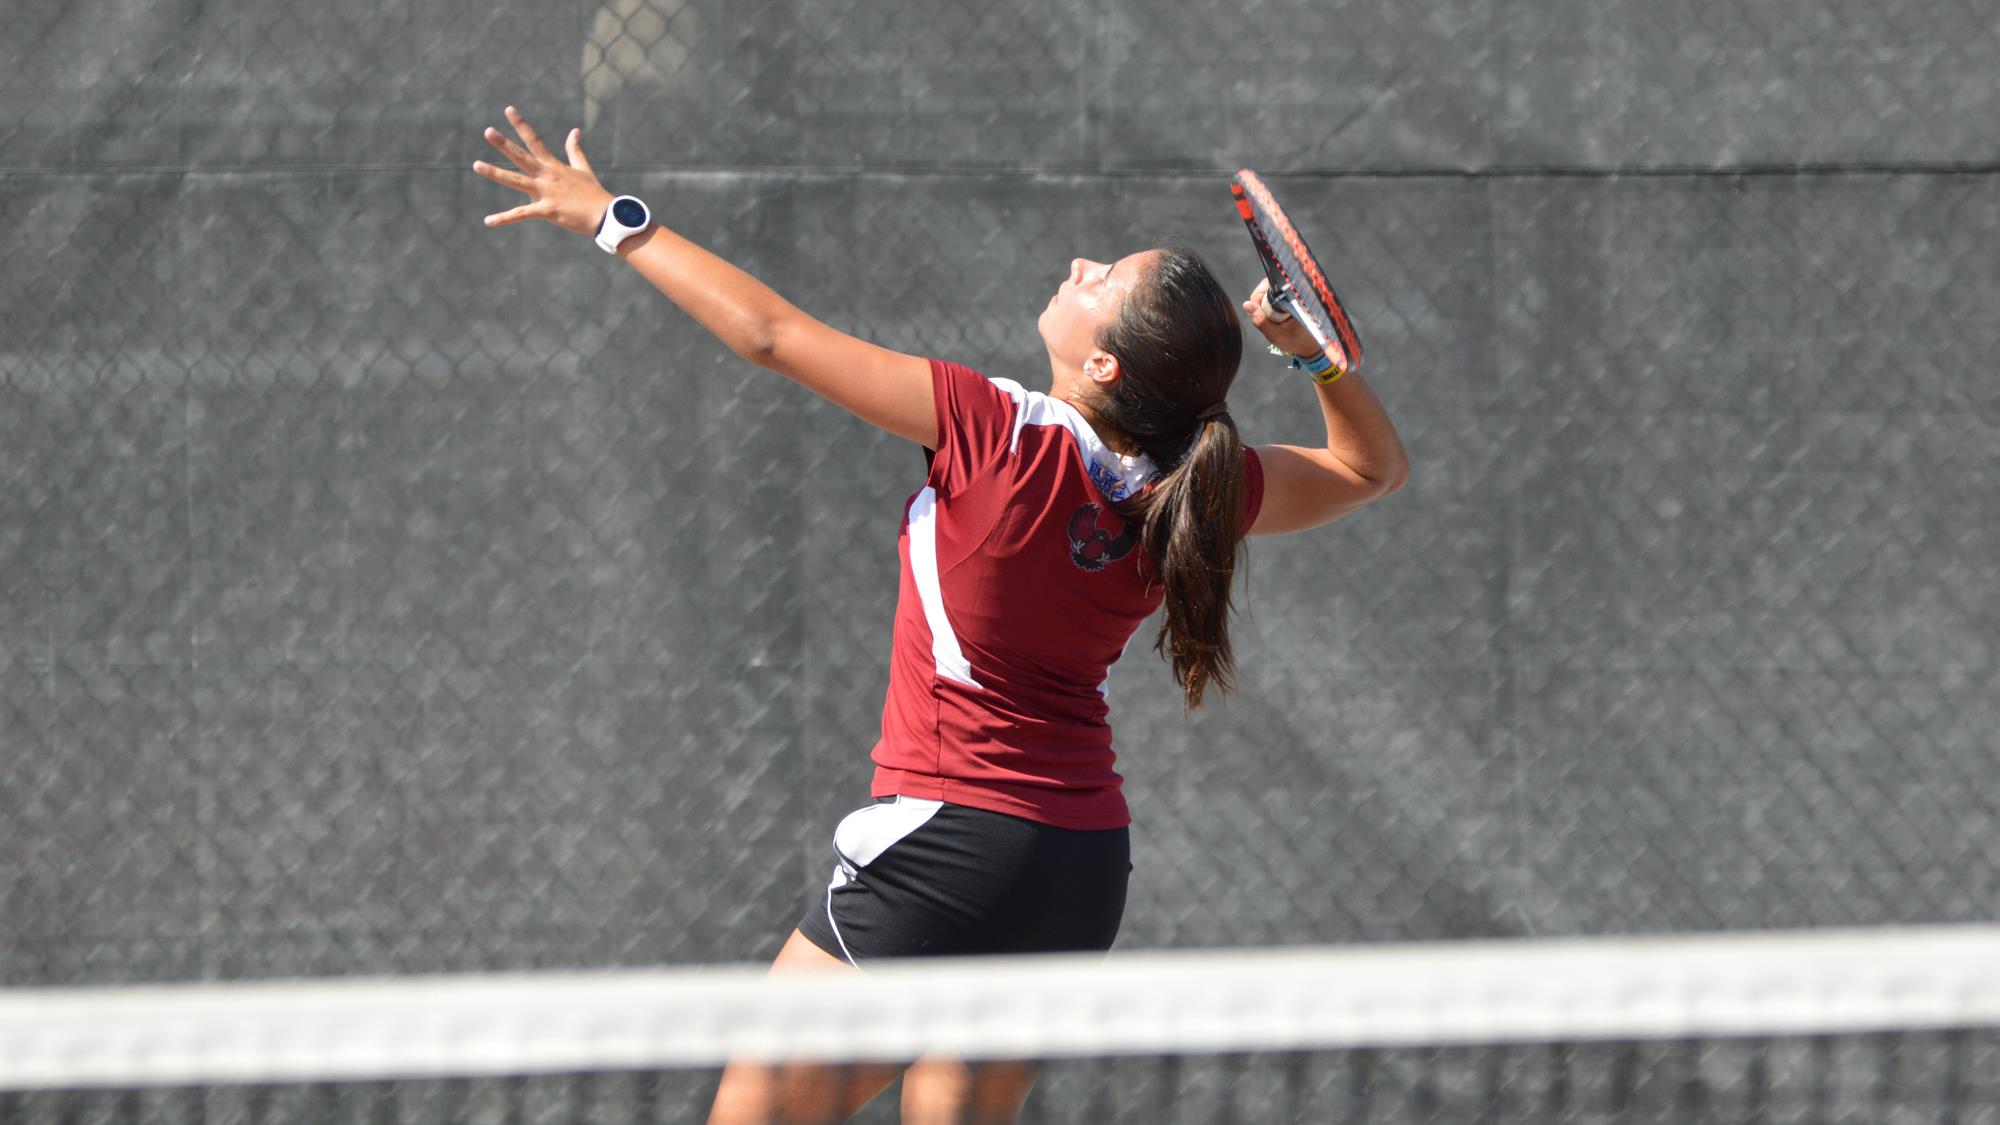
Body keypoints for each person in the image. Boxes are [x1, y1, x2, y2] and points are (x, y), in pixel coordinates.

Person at [475, 106, 1408, 1124]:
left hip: (946, 841)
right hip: (1077, 863)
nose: (1080, 262)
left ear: (1102, 365)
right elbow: (1370, 469)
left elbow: (772, 336)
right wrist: (1310, 359)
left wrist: (615, 219)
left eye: (1103, 282)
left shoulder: (998, 430)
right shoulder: (1193, 485)